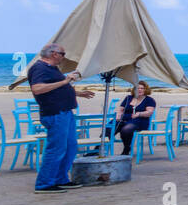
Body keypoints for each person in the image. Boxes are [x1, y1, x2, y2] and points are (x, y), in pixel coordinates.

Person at [27, 42, 95, 193]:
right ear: (54, 54)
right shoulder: (39, 68)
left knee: (70, 147)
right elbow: (37, 89)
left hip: (65, 112)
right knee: (56, 149)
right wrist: (65, 81)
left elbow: (57, 87)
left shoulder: (52, 69)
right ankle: (44, 184)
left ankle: (61, 179)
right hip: (55, 113)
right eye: (63, 54)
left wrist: (77, 93)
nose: (64, 57)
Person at [108, 80, 156, 157]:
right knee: (110, 127)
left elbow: (149, 112)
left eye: (142, 88)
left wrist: (139, 114)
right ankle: (98, 148)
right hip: (125, 118)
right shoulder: (128, 98)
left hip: (140, 120)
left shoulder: (149, 100)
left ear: (146, 89)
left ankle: (127, 148)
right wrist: (118, 116)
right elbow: (120, 109)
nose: (139, 90)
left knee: (126, 129)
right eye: (137, 88)